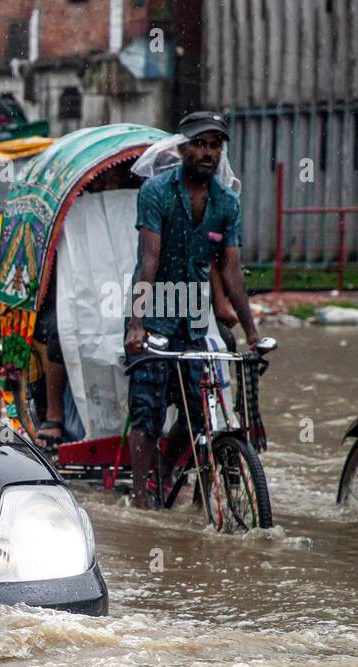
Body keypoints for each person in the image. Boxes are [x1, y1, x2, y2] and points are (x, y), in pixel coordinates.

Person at [124, 111, 264, 509]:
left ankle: (167, 474)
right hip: (152, 308)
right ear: (183, 147)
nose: (207, 152)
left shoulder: (226, 203)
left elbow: (232, 269)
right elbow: (147, 260)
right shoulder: (156, 191)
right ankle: (141, 499)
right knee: (147, 409)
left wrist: (252, 333)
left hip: (194, 314)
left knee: (196, 411)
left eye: (214, 145)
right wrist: (137, 325)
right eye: (200, 144)